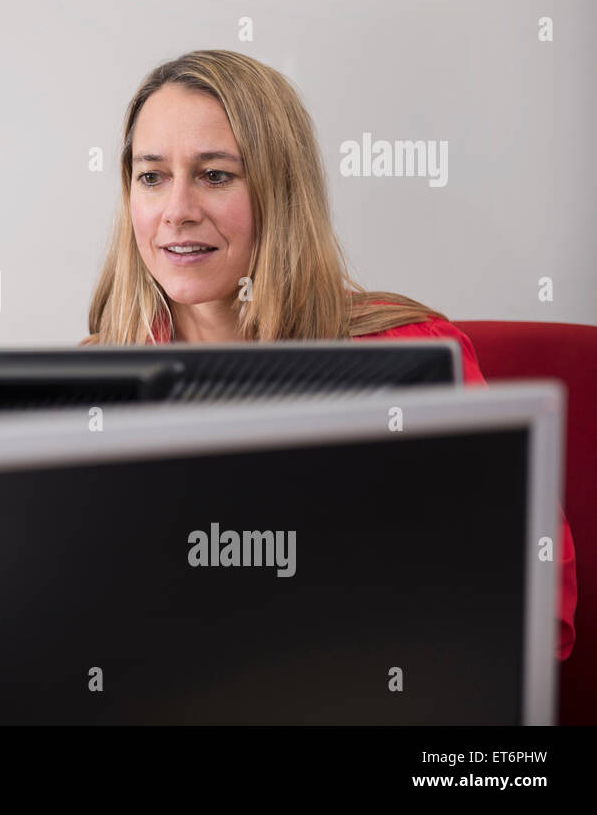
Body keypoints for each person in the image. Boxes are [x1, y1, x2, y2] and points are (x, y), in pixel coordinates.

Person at [82, 49, 576, 660]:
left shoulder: (413, 357)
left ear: (280, 192)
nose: (177, 211)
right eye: (152, 176)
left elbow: (534, 594)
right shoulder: (90, 383)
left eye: (215, 175)